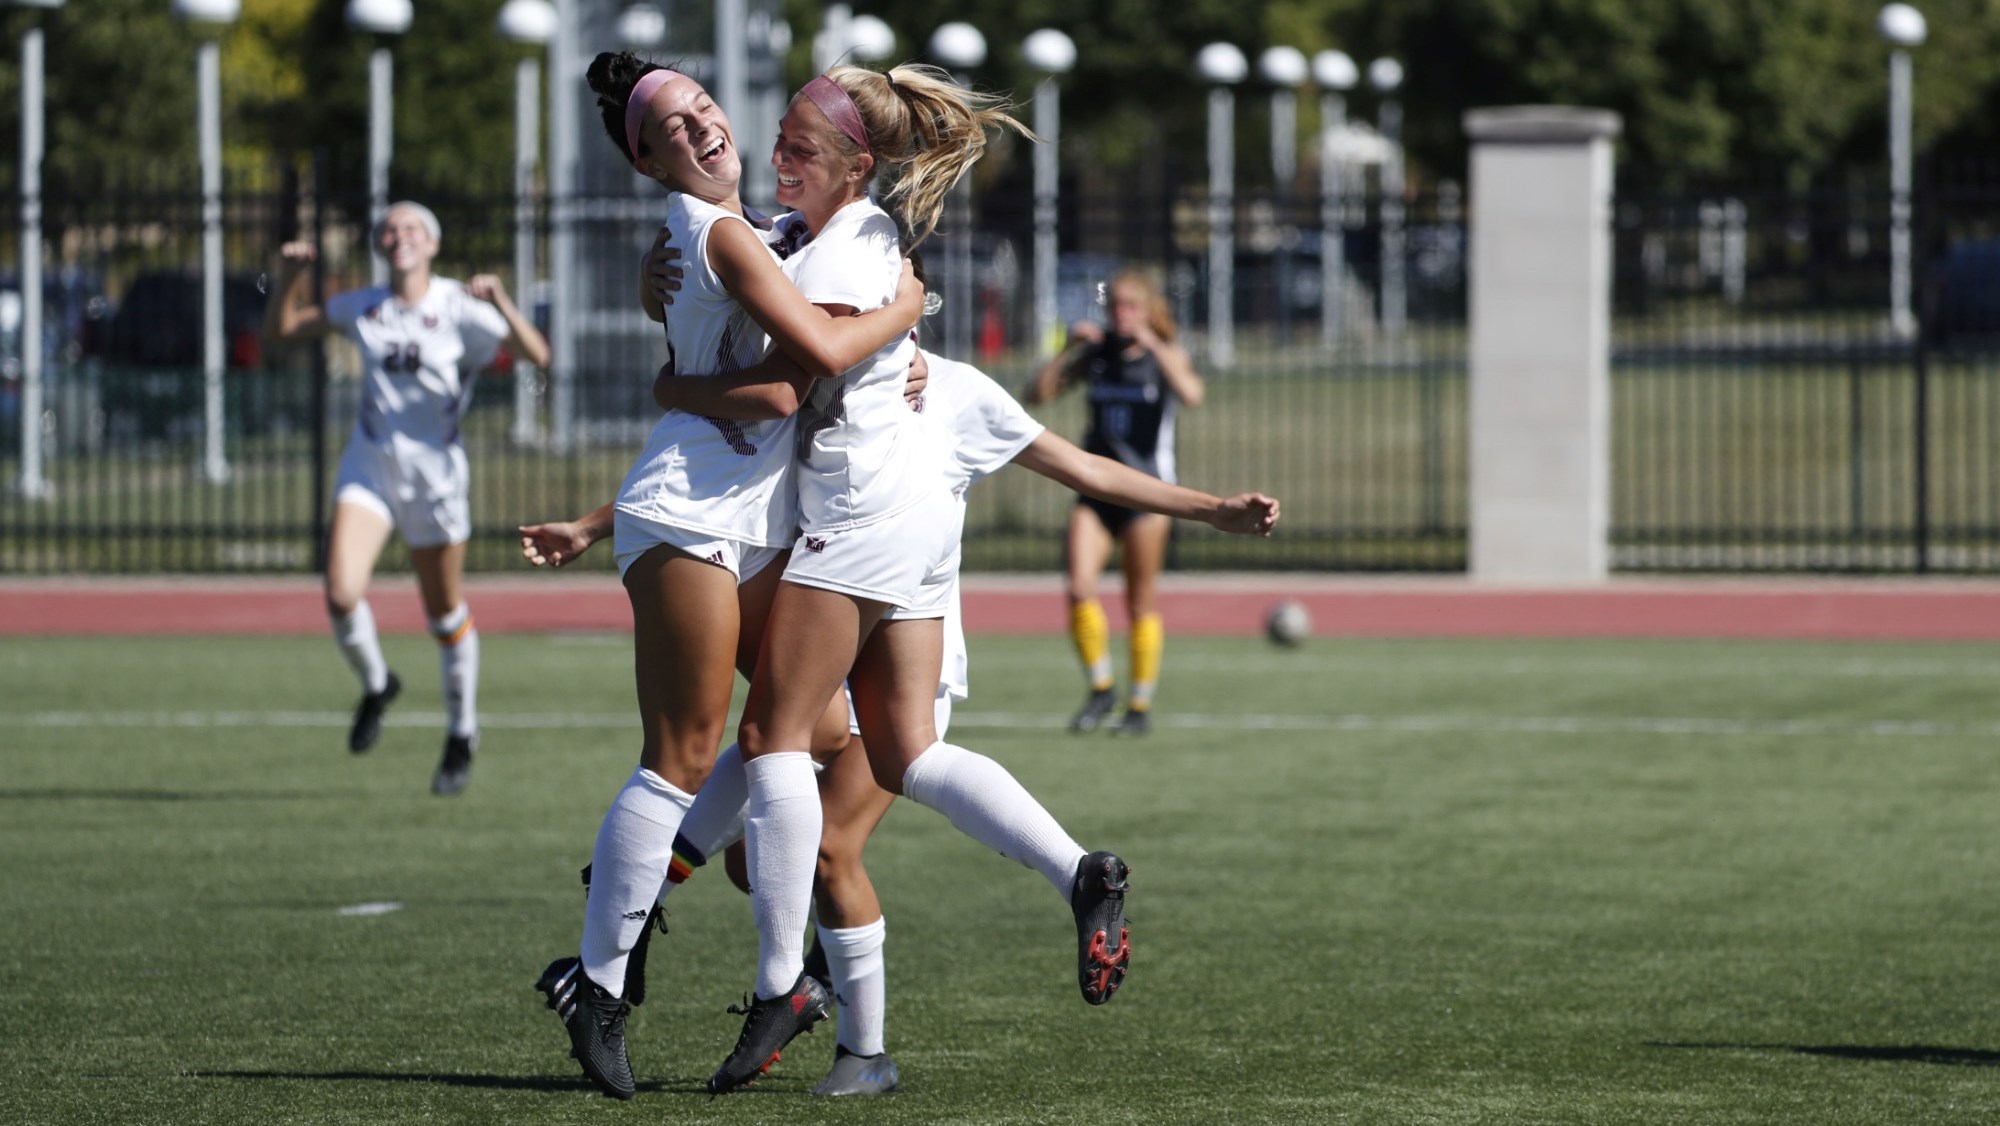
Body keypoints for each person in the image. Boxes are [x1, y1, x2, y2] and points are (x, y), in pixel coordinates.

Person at [644, 62, 1141, 1097]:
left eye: (800, 148)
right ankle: (1077, 873)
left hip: (856, 515)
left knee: (770, 737)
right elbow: (762, 289)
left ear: (855, 165)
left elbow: (800, 365)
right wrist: (671, 285)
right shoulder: (828, 236)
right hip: (904, 532)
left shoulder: (849, 243)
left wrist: (678, 379)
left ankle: (780, 982)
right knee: (908, 749)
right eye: (776, 134)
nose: (777, 155)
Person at [614, 338, 1279, 1096]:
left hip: (902, 669)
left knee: (826, 844)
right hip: (833, 653)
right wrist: (599, 520)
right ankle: (778, 966)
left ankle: (858, 1048)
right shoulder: (811, 385)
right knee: (762, 852)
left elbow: (1084, 467)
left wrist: (1211, 509)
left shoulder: (958, 391)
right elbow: (722, 488)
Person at [524, 53, 927, 1102]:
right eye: (670, 128)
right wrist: (907, 310)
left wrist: (672, 362)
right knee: (683, 753)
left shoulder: (754, 232)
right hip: (690, 516)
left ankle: (712, 946)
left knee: (816, 732)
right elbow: (802, 373)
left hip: (746, 522)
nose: (700, 128)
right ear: (647, 159)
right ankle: (600, 983)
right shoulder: (719, 233)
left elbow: (745, 341)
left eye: (702, 107)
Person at [262, 202, 550, 795]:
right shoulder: (364, 307)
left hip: (436, 478)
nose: (399, 236)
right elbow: (281, 331)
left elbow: (537, 354)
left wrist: (499, 301)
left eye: (411, 227)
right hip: (371, 466)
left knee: (443, 613)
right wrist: (288, 276)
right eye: (389, 229)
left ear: (433, 243)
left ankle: (461, 732)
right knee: (341, 592)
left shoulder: (458, 307)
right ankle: (376, 684)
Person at [1025, 271, 1206, 736]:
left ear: (1147, 311)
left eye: (1130, 307)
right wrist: (1069, 348)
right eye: (1115, 307)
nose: (1120, 315)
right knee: (1080, 586)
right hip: (1098, 492)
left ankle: (1139, 706)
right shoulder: (1099, 355)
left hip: (1147, 493)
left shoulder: (1162, 356)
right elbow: (1037, 395)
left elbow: (1192, 393)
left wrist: (1155, 344)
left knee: (1139, 601)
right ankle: (1102, 688)